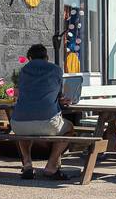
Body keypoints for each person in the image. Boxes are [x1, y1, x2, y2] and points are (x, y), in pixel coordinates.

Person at [9, 43, 74, 180]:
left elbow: (19, 94)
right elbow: (58, 95)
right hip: (47, 123)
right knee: (69, 129)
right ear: (47, 57)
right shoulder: (56, 70)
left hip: (18, 123)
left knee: (24, 130)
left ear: (30, 58)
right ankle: (51, 166)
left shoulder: (23, 71)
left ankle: (27, 165)